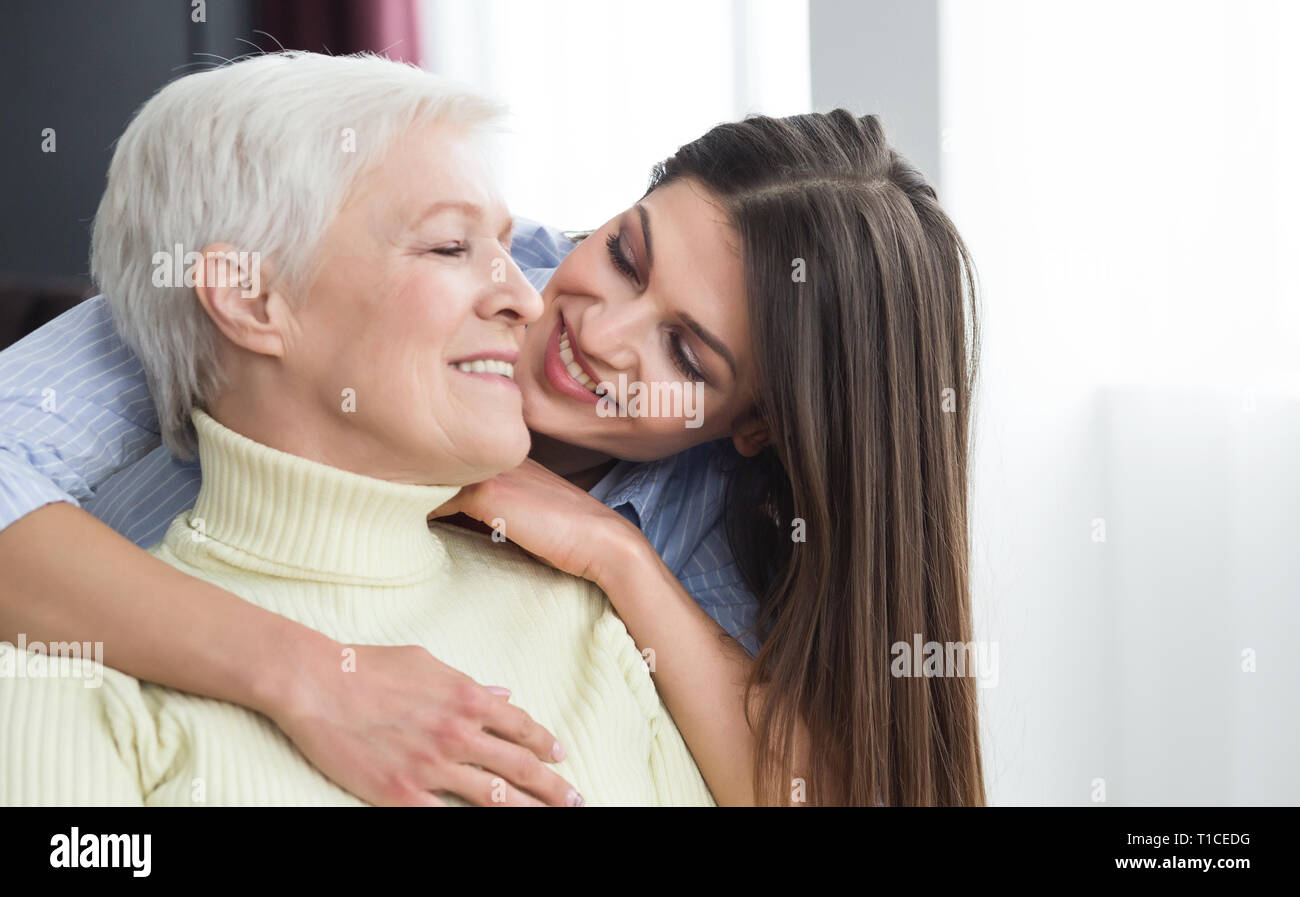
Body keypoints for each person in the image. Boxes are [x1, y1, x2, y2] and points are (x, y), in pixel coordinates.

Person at [0, 64, 984, 807]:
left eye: (685, 356)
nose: (579, 327)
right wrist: (312, 676)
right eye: (626, 255)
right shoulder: (349, 259)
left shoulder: (675, 584)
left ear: (756, 428)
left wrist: (619, 559)